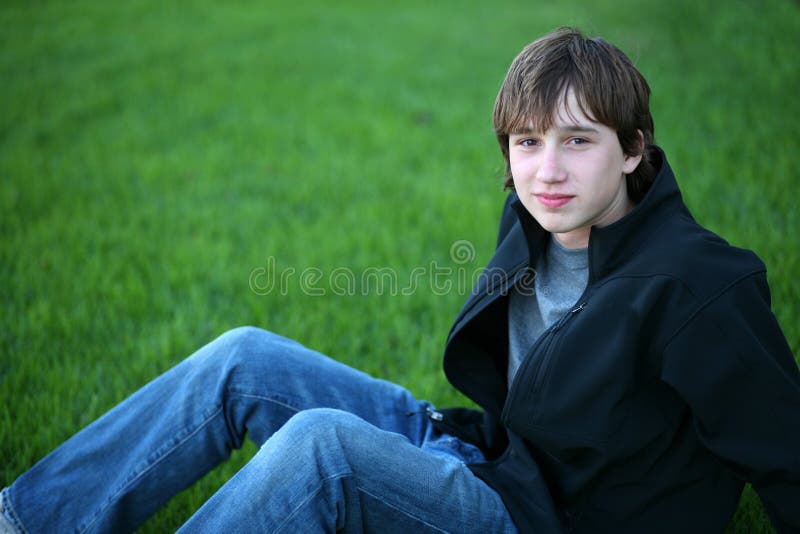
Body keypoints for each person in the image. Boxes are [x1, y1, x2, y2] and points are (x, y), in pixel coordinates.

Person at [2, 26, 798, 534]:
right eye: (526, 143)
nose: (545, 171)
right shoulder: (538, 216)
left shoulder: (699, 286)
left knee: (326, 449)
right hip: (491, 457)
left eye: (576, 140)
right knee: (242, 356)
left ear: (632, 149)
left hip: (539, 518)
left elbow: (785, 448)